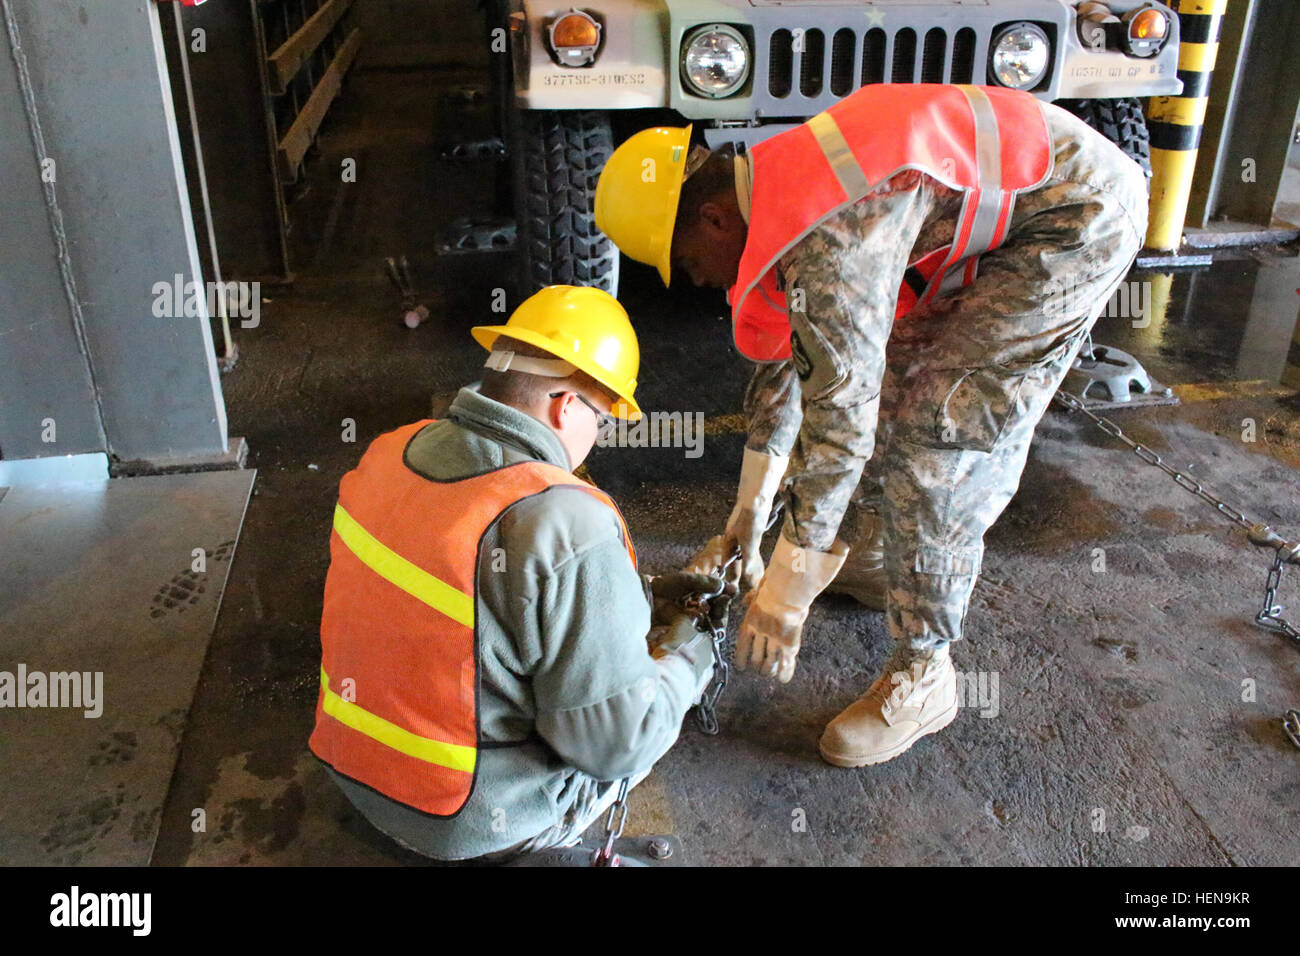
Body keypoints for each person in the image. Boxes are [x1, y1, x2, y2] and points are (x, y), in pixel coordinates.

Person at [594, 83, 1148, 767]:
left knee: (940, 442)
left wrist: (790, 585)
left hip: (1075, 220)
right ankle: (889, 565)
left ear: (710, 220)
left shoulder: (831, 240)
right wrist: (748, 516)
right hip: (1006, 215)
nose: (695, 280)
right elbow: (793, 364)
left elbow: (839, 425)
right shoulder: (775, 190)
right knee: (892, 395)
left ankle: (926, 674)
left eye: (682, 263)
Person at [309, 285, 722, 861]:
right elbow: (613, 745)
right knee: (640, 718)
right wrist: (692, 659)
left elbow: (463, 590)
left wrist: (636, 595)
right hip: (467, 823)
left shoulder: (388, 452)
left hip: (351, 770)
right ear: (567, 406)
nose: (595, 439)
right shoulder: (566, 518)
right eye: (602, 419)